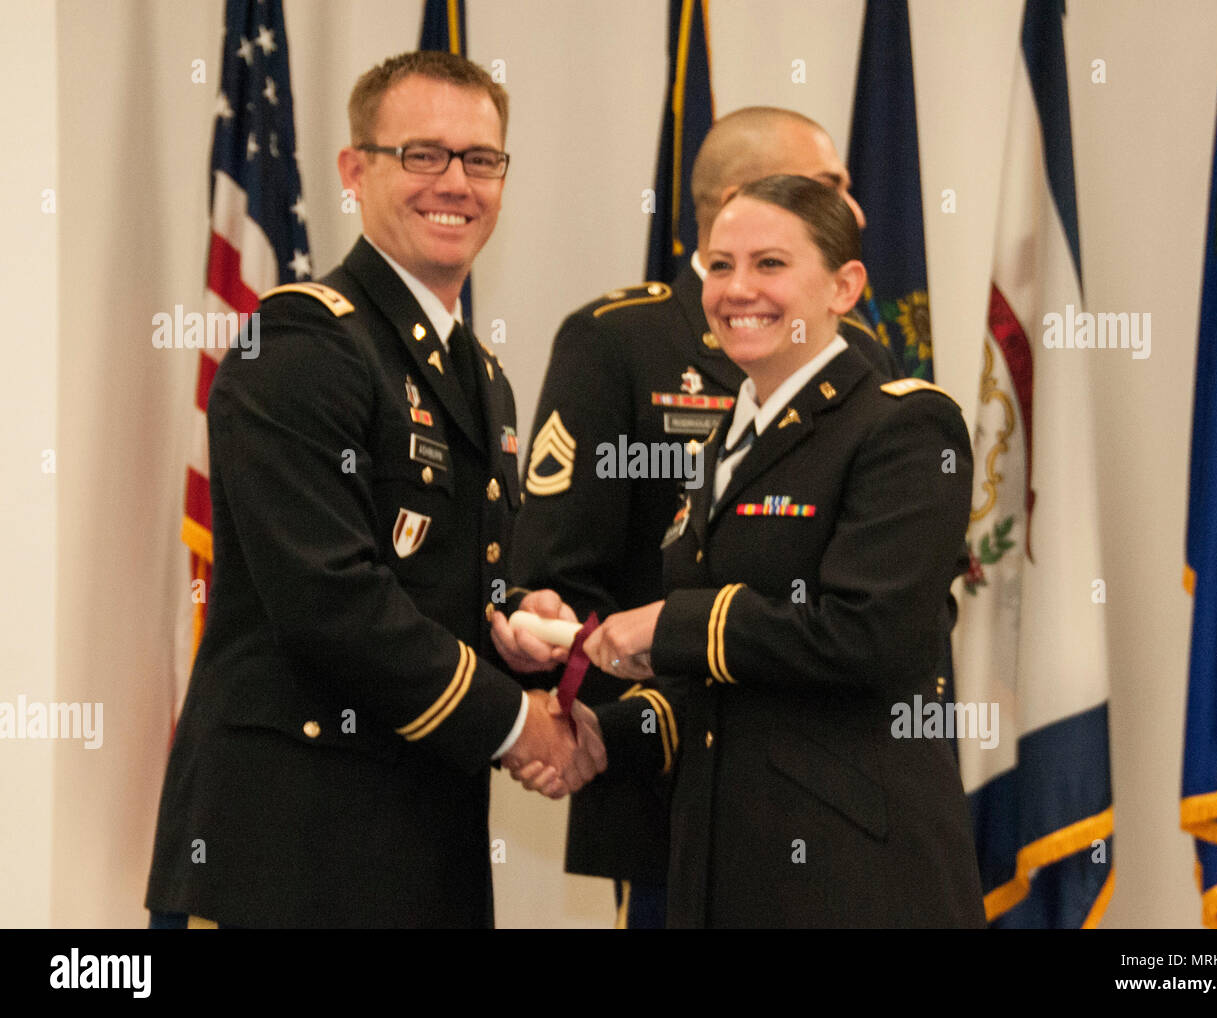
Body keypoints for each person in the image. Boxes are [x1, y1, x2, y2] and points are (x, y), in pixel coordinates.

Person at [145, 51, 603, 930]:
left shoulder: (482, 377)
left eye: (481, 160)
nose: (455, 184)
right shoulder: (303, 344)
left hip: (423, 847)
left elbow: (435, 586)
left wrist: (518, 624)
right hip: (288, 859)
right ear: (356, 171)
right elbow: (330, 599)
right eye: (422, 155)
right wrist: (519, 726)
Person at [509, 107, 902, 929]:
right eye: (827, 188)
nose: (855, 212)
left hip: (822, 790)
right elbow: (560, 569)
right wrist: (608, 716)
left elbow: (880, 607)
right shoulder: (618, 341)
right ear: (738, 198)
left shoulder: (861, 361)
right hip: (667, 785)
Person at [581, 175, 985, 928]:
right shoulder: (728, 439)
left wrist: (670, 624)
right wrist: (603, 735)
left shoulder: (905, 428)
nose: (738, 289)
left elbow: (867, 634)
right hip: (720, 865)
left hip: (854, 875)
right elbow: (730, 694)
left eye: (770, 264)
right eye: (720, 265)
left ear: (844, 285)